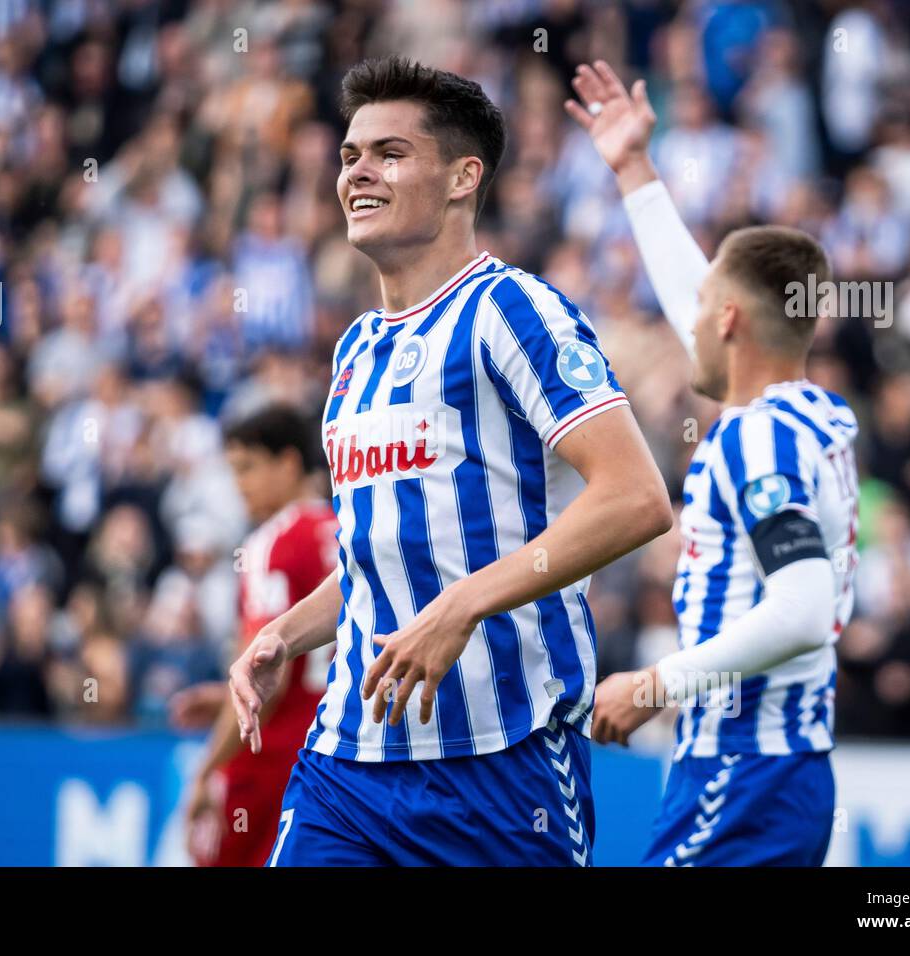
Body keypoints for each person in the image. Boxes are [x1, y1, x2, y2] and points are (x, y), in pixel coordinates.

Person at [230, 56, 673, 867]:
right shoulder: (355, 349)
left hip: (502, 768)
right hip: (350, 769)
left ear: (464, 177)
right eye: (349, 156)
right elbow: (381, 554)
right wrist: (286, 637)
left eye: (390, 153)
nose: (358, 172)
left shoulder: (510, 310)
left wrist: (463, 605)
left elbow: (637, 498)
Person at [566, 60, 859, 865]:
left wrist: (653, 684)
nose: (685, 321)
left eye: (701, 312)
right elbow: (702, 289)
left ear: (728, 321)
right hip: (775, 765)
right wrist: (634, 170)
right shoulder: (806, 414)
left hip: (746, 769)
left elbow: (801, 608)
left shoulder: (758, 438)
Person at [179, 405, 337, 867]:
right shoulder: (349, 532)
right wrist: (221, 694)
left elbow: (268, 682)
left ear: (288, 463)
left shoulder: (271, 543)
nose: (238, 484)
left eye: (246, 468)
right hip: (334, 752)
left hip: (270, 756)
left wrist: (205, 770)